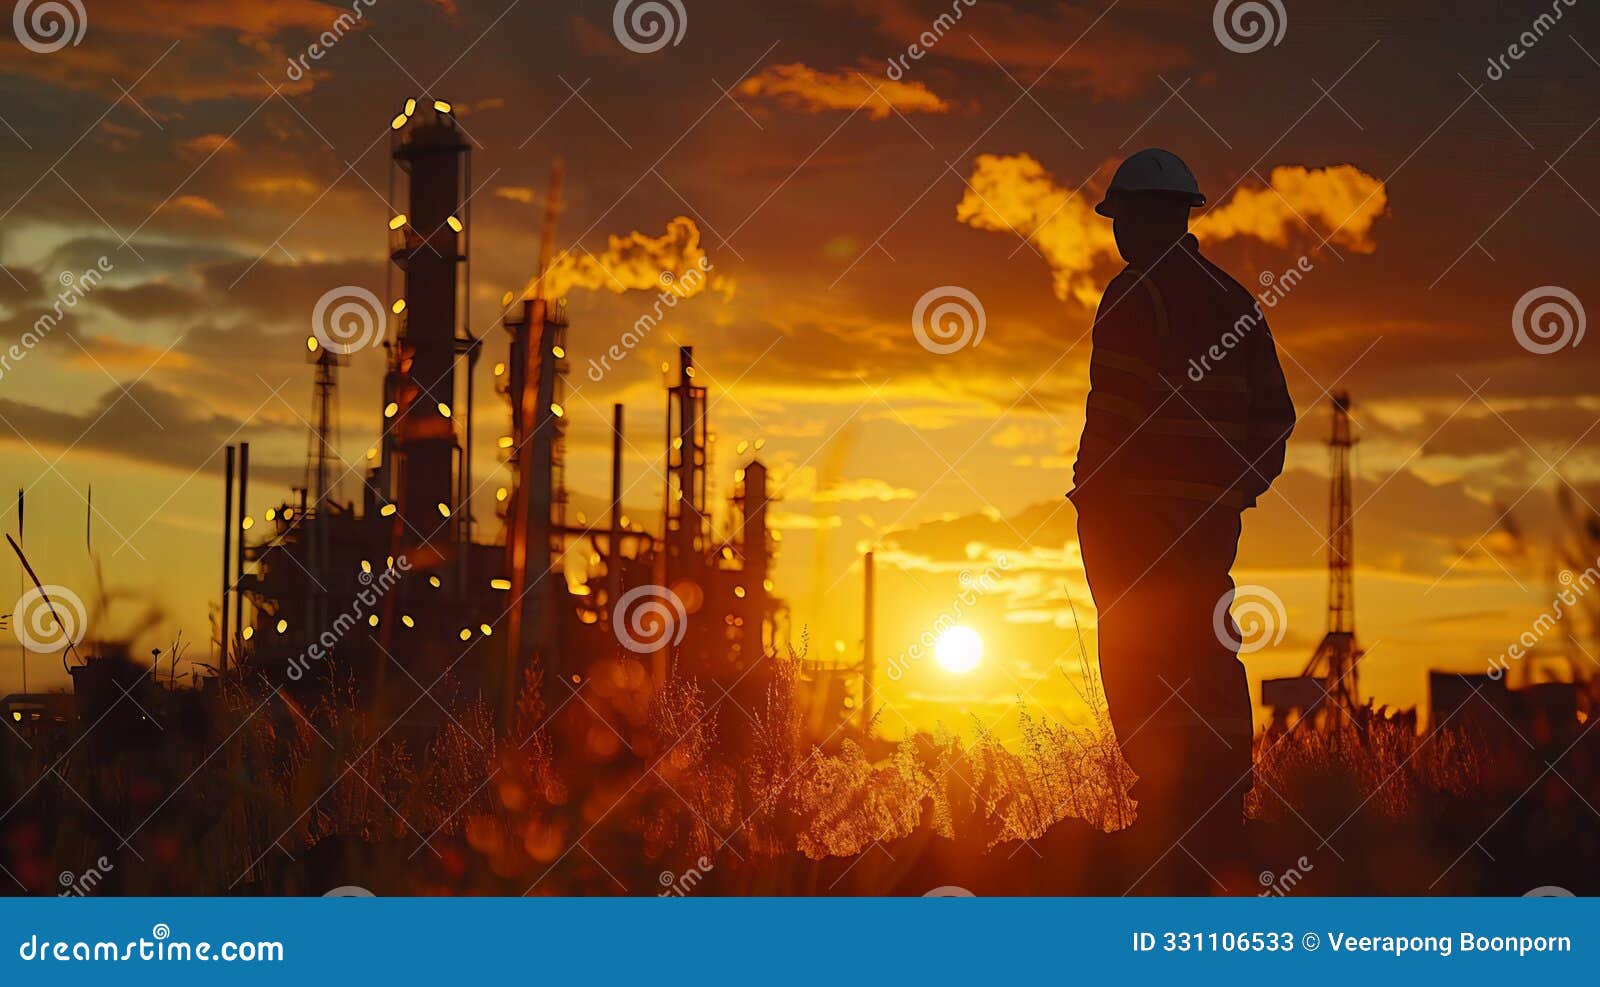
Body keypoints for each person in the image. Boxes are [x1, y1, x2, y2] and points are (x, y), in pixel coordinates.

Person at [1070, 148, 1296, 888]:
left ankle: (1167, 801)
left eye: (1124, 217)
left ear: (1150, 217)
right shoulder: (1235, 301)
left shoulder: (1137, 293)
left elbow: (1115, 406)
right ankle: (1221, 801)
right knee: (1207, 648)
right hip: (1207, 521)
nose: (1119, 233)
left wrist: (1092, 492)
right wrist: (1234, 489)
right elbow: (1276, 416)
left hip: (1135, 515)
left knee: (1138, 648)